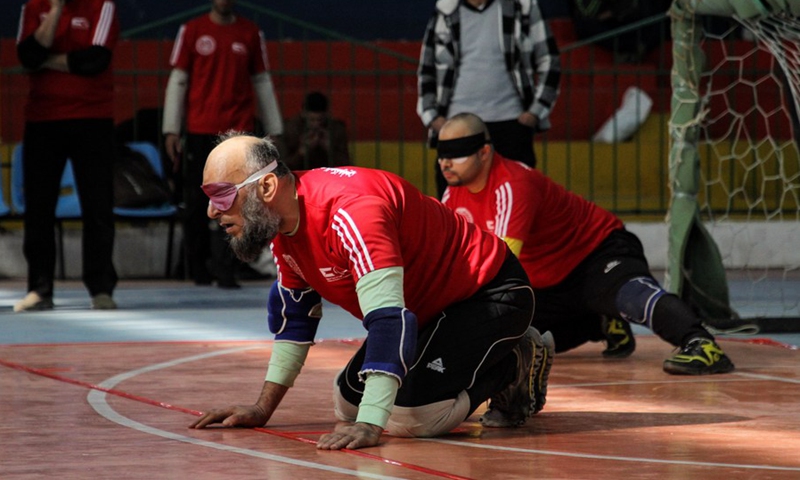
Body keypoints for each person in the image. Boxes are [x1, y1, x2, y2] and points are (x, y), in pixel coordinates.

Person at [188, 132, 555, 449]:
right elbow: (295, 319)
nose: (210, 211)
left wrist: (372, 425)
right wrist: (261, 408)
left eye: (221, 195)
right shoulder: (283, 227)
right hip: (423, 310)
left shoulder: (352, 211)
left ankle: (513, 361)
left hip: (487, 292)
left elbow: (388, 320)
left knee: (413, 418)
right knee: (347, 403)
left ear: (266, 187)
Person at [437, 113, 735, 375]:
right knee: (515, 332)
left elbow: (501, 262)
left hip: (596, 252)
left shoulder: (512, 185)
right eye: (441, 153)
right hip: (550, 281)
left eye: (457, 152)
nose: (445, 162)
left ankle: (701, 344)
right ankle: (600, 322)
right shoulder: (452, 196)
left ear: (485, 152)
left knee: (631, 295)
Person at [162, 0, 283, 288]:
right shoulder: (192, 30)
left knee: (240, 203)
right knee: (195, 203)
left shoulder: (250, 33)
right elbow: (178, 80)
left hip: (239, 134)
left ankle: (228, 269)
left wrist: (274, 129)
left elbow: (262, 81)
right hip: (199, 130)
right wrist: (171, 129)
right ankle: (199, 269)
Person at [14, 0, 120, 312]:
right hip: (42, 120)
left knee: (98, 206)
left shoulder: (102, 7)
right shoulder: (33, 7)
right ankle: (39, 289)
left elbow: (95, 60)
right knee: (39, 207)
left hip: (93, 119)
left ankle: (101, 288)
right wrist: (57, 10)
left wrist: (48, 59)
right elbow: (28, 56)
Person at [417, 0, 561, 197]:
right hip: (456, 127)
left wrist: (536, 112)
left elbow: (549, 60)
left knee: (519, 200)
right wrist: (432, 117)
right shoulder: (446, 10)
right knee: (452, 212)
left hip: (512, 123)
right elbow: (427, 69)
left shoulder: (523, 6)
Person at [282, 91, 351, 170]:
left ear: (326, 115)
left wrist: (330, 149)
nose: (316, 124)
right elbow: (282, 167)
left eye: (319, 120)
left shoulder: (336, 129)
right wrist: (301, 152)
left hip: (328, 175)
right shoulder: (291, 129)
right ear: (303, 113)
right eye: (311, 120)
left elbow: (347, 166)